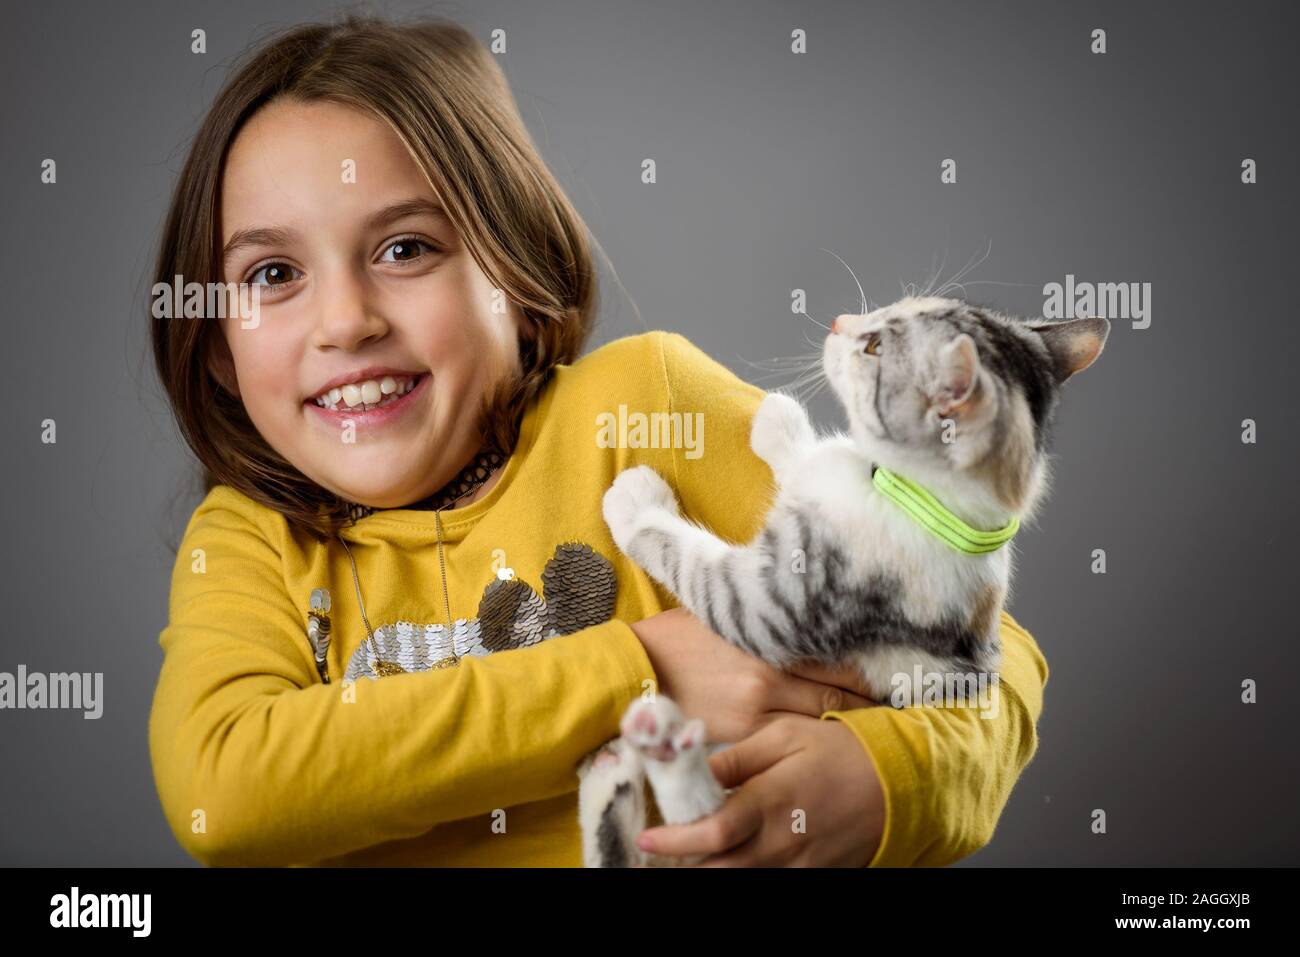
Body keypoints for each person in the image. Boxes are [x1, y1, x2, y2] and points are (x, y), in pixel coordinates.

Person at [147, 15, 1047, 867]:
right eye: (273, 274)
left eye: (406, 249)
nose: (345, 322)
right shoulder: (248, 543)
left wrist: (880, 782)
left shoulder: (643, 411)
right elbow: (223, 790)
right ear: (218, 348)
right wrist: (644, 668)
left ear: (518, 275)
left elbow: (983, 664)